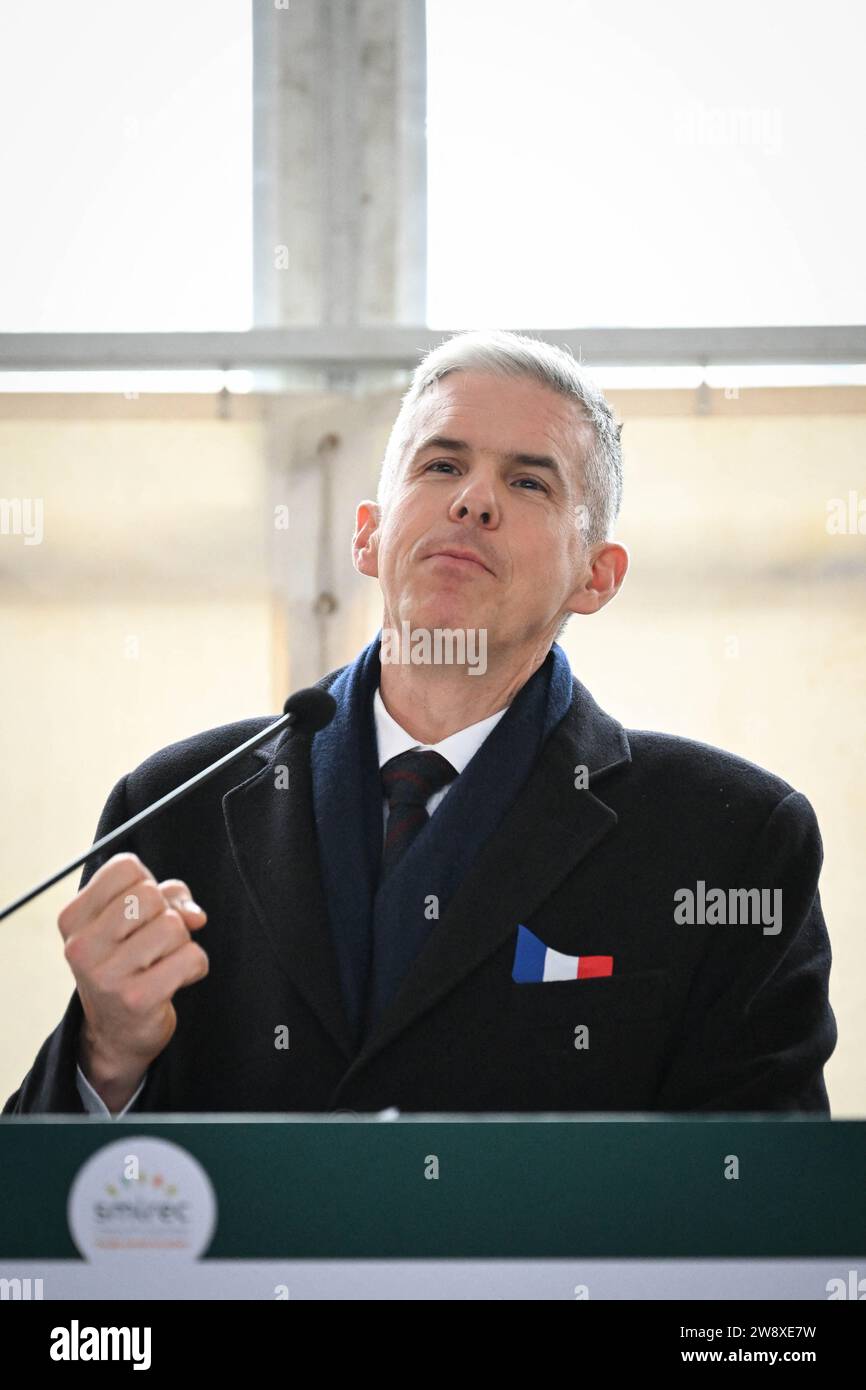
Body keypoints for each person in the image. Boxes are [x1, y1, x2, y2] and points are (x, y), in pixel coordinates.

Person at [4, 329, 836, 1116]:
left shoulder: (732, 840)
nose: (474, 501)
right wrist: (106, 1057)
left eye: (528, 481)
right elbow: (53, 1207)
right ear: (369, 535)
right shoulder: (171, 809)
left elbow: (765, 1210)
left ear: (597, 576)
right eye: (441, 465)